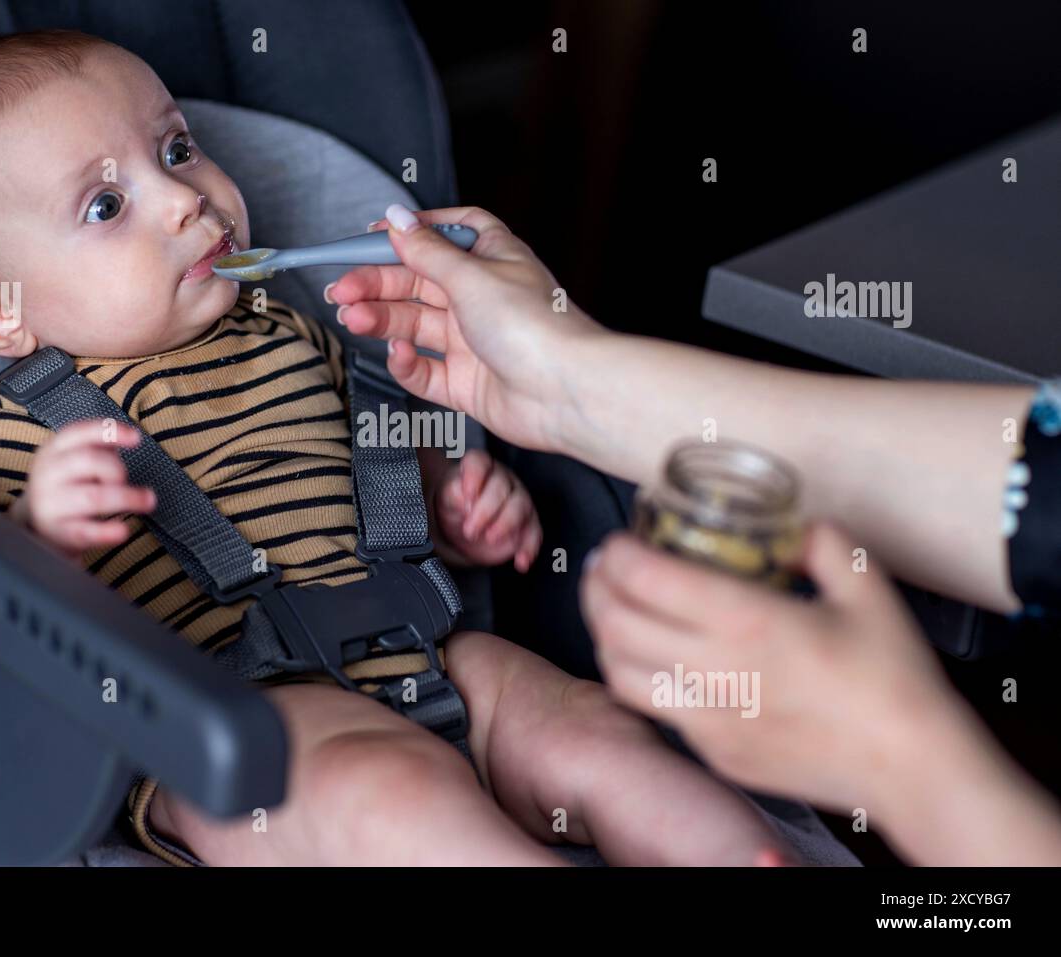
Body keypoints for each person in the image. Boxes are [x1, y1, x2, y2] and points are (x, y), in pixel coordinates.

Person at [0, 30, 799, 866]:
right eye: (107, 205)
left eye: (177, 150)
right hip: (223, 723)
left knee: (585, 726)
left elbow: (375, 459)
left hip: (414, 649)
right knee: (386, 793)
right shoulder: (16, 429)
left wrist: (456, 500)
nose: (186, 202)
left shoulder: (292, 331)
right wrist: (48, 532)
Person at [331, 201, 1061, 864]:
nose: (206, 192)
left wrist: (895, 747)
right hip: (293, 701)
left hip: (454, 662)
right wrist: (568, 378)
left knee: (600, 740)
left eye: (207, 152)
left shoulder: (317, 353)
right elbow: (1040, 499)